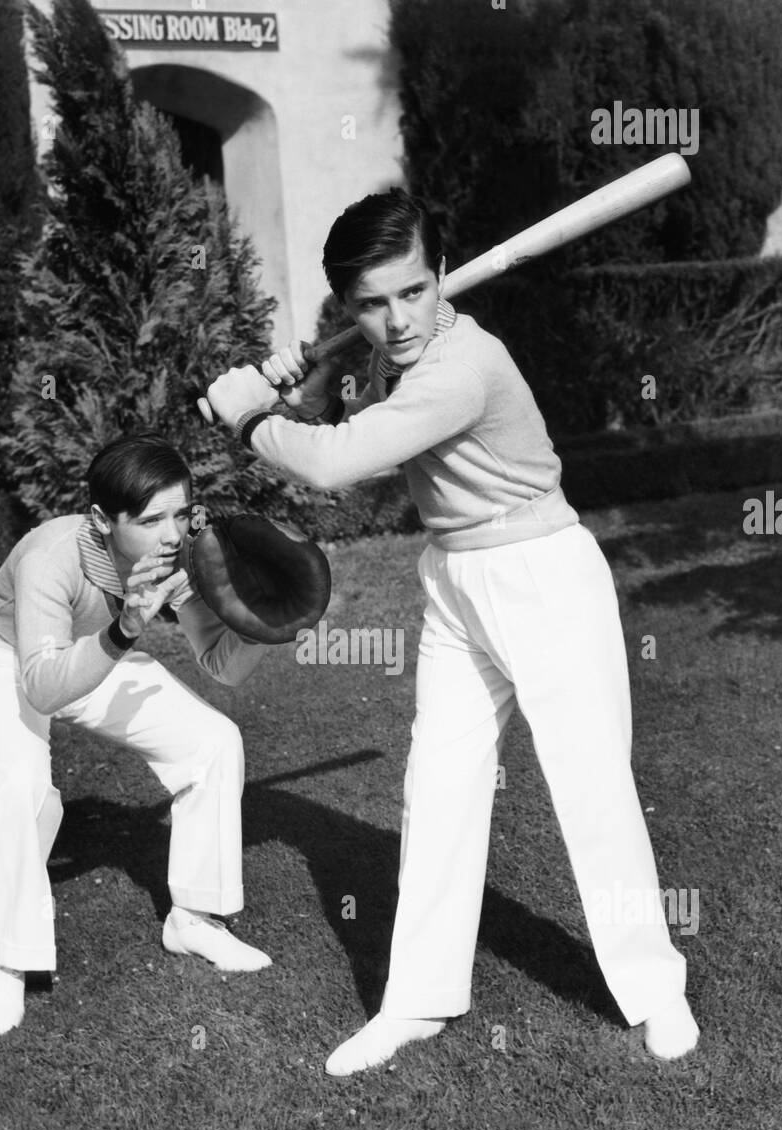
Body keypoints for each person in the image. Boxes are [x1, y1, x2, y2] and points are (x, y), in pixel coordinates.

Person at [204, 189, 700, 1076]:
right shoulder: (409, 354)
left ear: (441, 277)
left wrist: (247, 415)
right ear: (347, 305)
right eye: (371, 302)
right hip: (456, 581)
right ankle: (419, 1001)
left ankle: (656, 988)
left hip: (543, 576)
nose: (394, 320)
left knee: (589, 790)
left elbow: (336, 461)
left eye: (411, 293)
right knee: (436, 792)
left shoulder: (464, 364)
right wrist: (291, 381)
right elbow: (337, 420)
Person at [0, 432, 271, 1037]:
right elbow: (43, 685)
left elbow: (221, 664)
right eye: (152, 520)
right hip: (3, 662)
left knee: (213, 742)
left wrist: (258, 621)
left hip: (94, 652)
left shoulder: (178, 553)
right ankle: (7, 962)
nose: (173, 534)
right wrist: (124, 629)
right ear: (103, 520)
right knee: (22, 787)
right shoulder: (51, 556)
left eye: (181, 512)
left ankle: (195, 920)